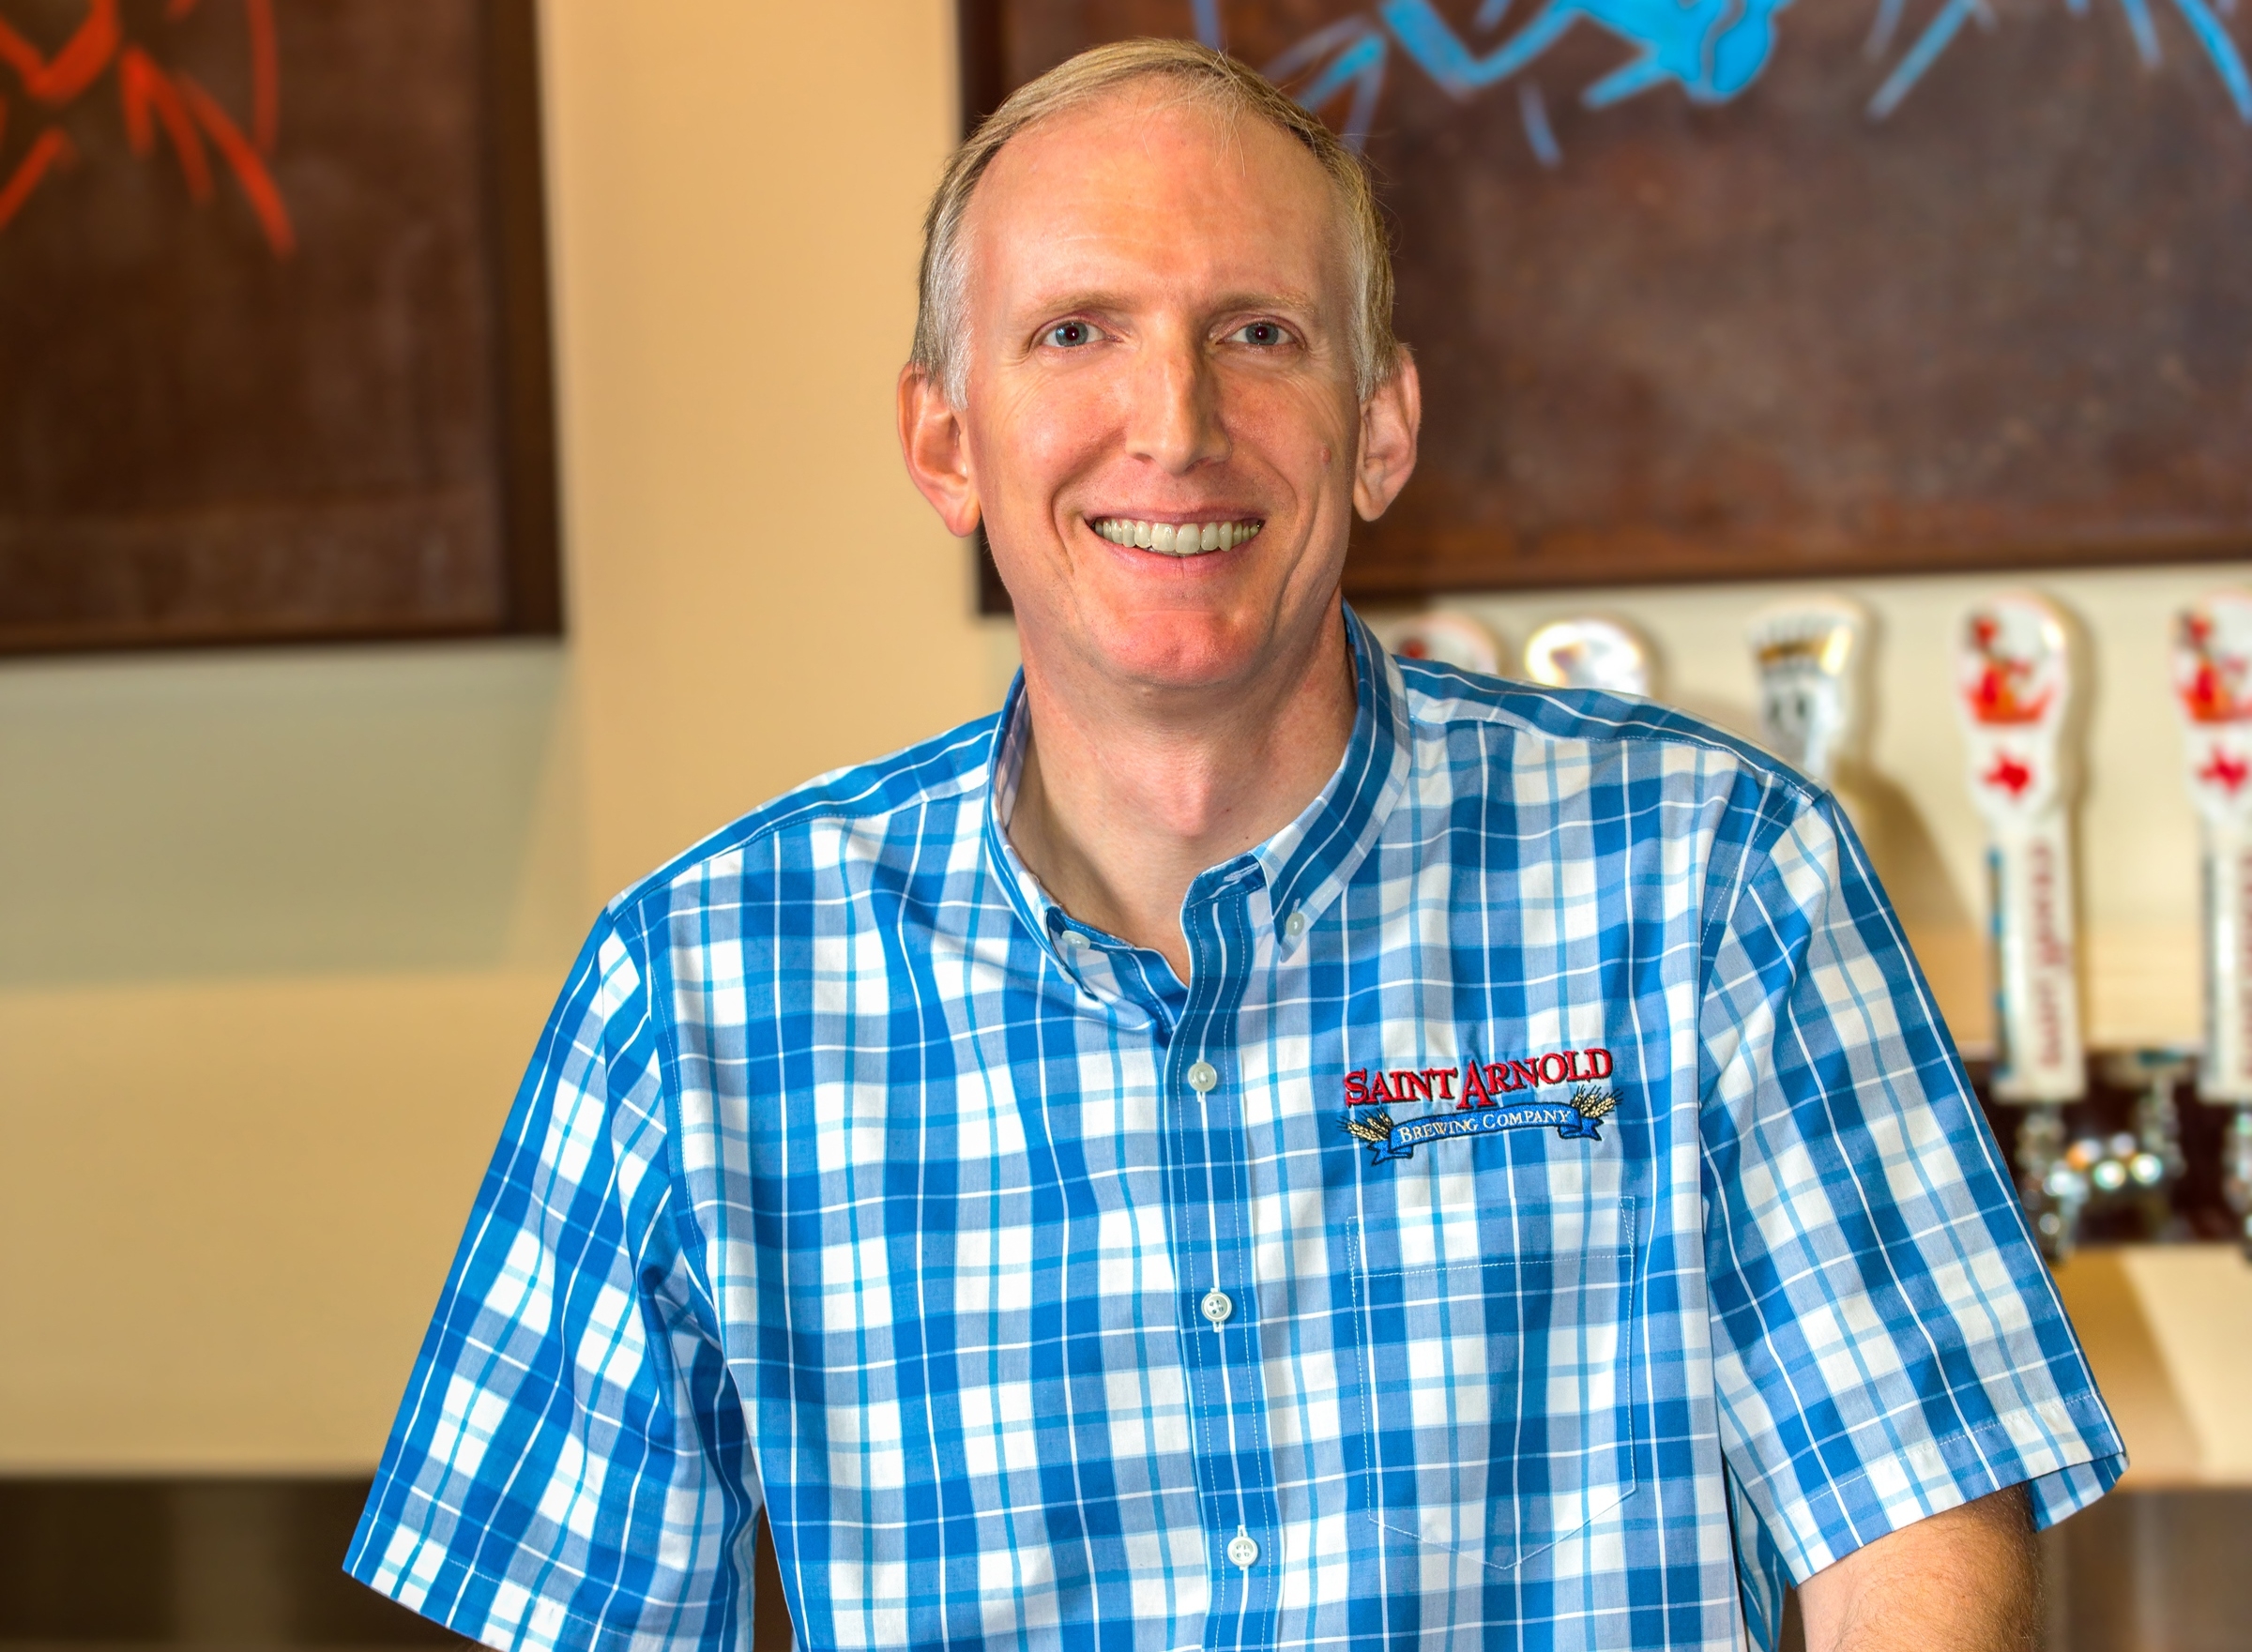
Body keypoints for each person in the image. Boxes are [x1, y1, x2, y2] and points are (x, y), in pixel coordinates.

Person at [346, 38, 2121, 1652]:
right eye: (1076, 331)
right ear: (946, 442)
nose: (1177, 426)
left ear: (1381, 427)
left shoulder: (1719, 879)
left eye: (1257, 333)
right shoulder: (693, 992)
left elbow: (1917, 1535)